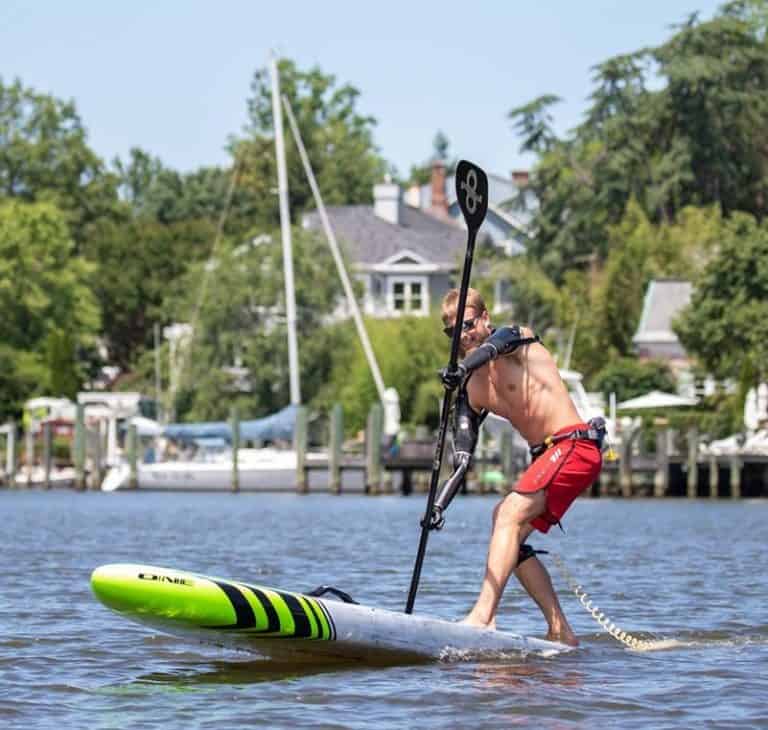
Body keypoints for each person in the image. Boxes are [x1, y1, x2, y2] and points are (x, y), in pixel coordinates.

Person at [432, 288, 604, 646]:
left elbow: (499, 344)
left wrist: (462, 367)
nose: (462, 336)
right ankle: (560, 630)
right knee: (509, 533)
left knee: (508, 514)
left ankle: (483, 618)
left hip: (573, 445)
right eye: (453, 332)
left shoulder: (517, 341)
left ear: (485, 317)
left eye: (467, 325)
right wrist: (437, 505)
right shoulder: (471, 388)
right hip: (548, 457)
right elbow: (462, 459)